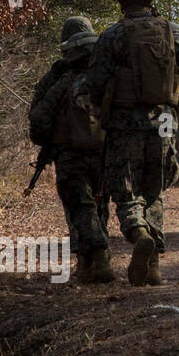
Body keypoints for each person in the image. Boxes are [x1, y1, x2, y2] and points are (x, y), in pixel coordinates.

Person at [82, 0, 179, 286]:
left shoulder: (112, 36)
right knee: (154, 191)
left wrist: (105, 111)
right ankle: (153, 268)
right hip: (164, 124)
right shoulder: (175, 33)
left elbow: (95, 83)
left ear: (121, 1)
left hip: (124, 124)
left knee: (126, 191)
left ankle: (139, 233)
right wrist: (175, 111)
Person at [28, 17, 111, 283]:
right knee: (99, 205)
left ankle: (95, 256)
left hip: (69, 155)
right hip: (103, 152)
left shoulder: (55, 79)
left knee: (80, 207)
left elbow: (38, 120)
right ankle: (91, 263)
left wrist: (49, 144)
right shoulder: (106, 75)